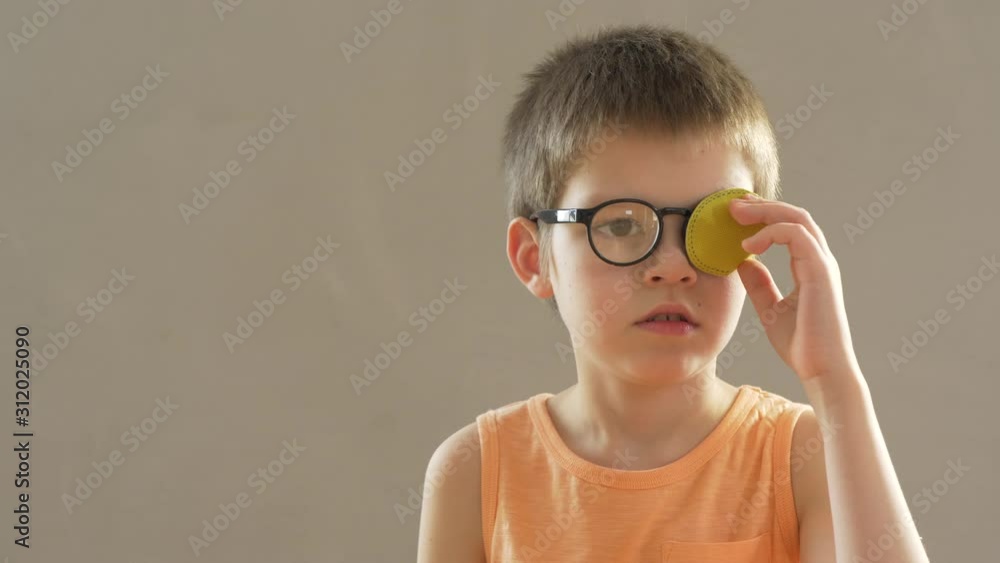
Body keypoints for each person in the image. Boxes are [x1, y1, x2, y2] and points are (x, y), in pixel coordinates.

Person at [417, 24, 929, 563]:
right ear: (533, 258)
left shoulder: (804, 455)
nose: (672, 267)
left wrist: (834, 382)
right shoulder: (475, 472)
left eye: (707, 230)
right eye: (618, 226)